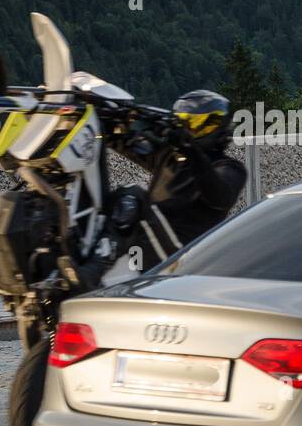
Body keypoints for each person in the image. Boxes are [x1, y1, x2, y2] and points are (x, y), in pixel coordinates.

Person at [76, 89, 245, 287]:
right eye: (185, 122)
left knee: (134, 195)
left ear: (219, 127)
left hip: (184, 254)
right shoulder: (169, 158)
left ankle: (96, 267)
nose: (190, 130)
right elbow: (127, 143)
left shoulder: (229, 168)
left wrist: (189, 149)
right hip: (148, 249)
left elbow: (220, 197)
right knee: (111, 200)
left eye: (198, 125)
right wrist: (103, 120)